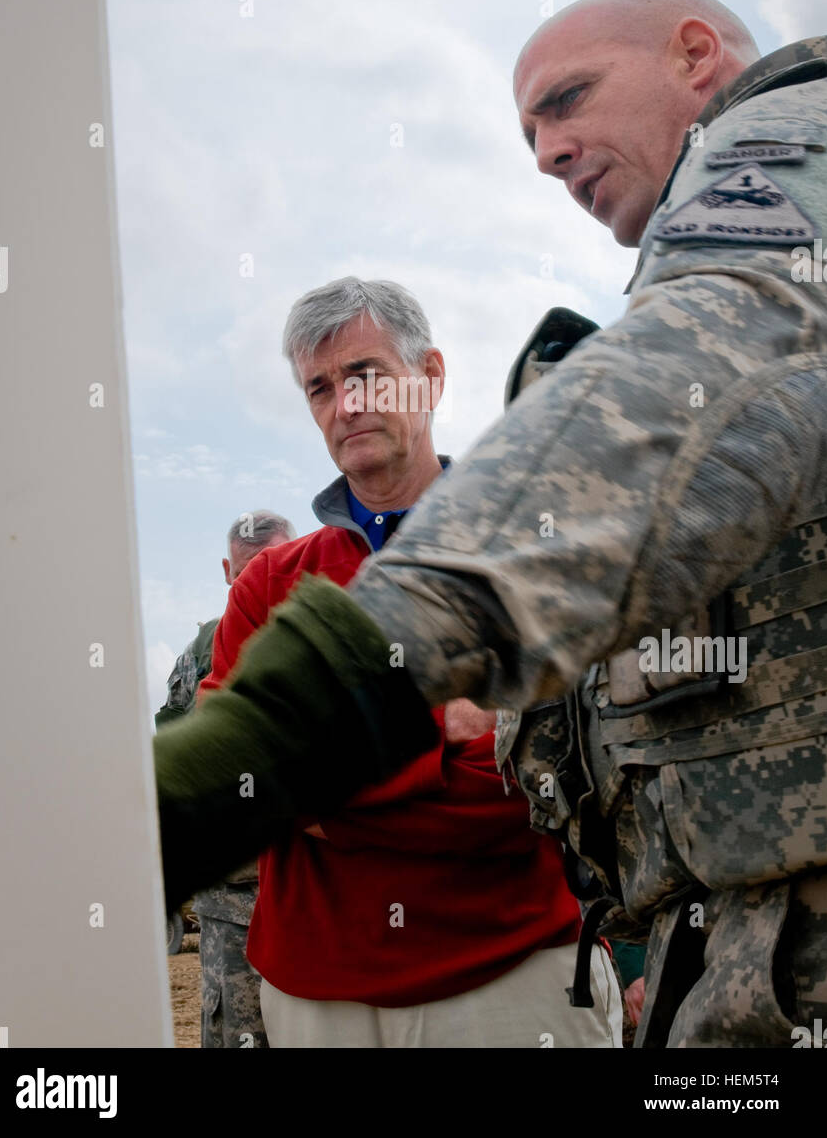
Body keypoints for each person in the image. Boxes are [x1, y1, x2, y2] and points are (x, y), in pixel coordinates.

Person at [155, 0, 827, 1048]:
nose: (546, 152)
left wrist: (303, 724)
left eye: (568, 101)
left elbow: (675, 390)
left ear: (694, 52)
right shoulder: (278, 579)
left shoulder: (790, 141)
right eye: (527, 132)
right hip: (734, 940)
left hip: (539, 971)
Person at [198, 277, 621, 1048]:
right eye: (319, 388)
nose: (344, 405)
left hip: (512, 976)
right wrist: (441, 737)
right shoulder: (269, 584)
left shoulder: (529, 550)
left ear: (428, 376)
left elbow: (541, 779)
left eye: (364, 374)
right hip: (315, 997)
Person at [158, 508, 295, 1049]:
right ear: (225, 571)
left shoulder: (327, 637)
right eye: (244, 574)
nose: (257, 584)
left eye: (271, 566)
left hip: (320, 890)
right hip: (237, 900)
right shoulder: (200, 654)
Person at [155, 512, 295, 726]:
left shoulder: (320, 635)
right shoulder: (199, 649)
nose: (256, 590)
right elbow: (172, 722)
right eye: (244, 577)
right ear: (227, 571)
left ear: (297, 564)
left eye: (268, 574)